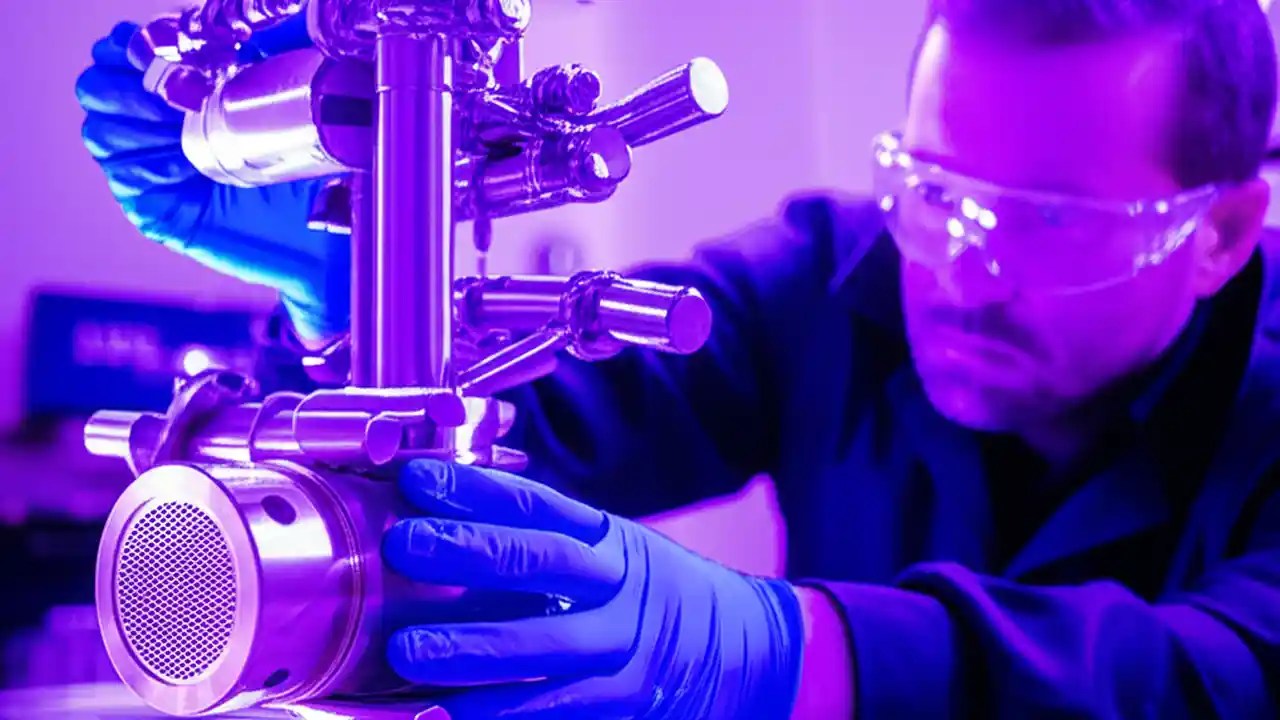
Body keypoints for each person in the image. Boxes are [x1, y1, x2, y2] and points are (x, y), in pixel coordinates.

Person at [74, 0, 1280, 717]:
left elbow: (1219, 682)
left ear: (1222, 231)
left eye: (1046, 222)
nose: (962, 270)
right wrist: (358, 295)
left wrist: (802, 655)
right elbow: (518, 439)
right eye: (932, 190)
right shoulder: (827, 274)